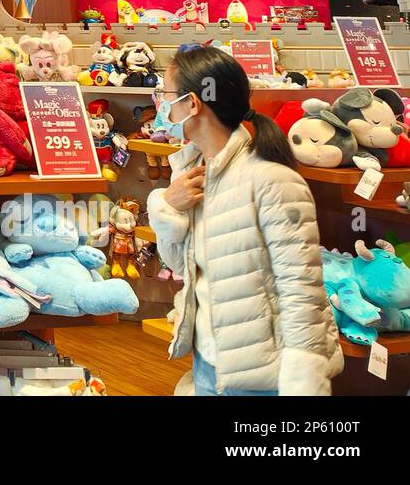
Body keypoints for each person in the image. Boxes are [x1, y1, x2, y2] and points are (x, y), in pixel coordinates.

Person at [146, 46, 342, 396]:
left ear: (192, 103)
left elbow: (302, 292)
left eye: (167, 95)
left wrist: (303, 384)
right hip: (209, 363)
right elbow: (182, 266)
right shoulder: (194, 175)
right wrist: (168, 208)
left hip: (267, 377)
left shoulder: (272, 181)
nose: (163, 106)